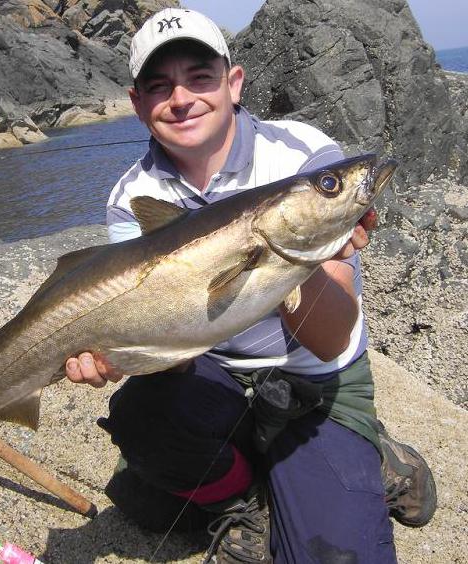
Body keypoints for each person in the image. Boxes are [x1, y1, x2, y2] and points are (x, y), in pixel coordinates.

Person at [65, 8, 436, 563]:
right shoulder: (132, 195)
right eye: (159, 86)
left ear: (234, 83)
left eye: (200, 77)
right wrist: (120, 354)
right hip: (212, 375)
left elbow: (331, 340)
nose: (182, 98)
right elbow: (169, 347)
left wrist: (307, 262)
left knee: (332, 554)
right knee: (142, 430)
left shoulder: (303, 155)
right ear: (137, 103)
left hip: (312, 389)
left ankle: (377, 459)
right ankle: (243, 499)